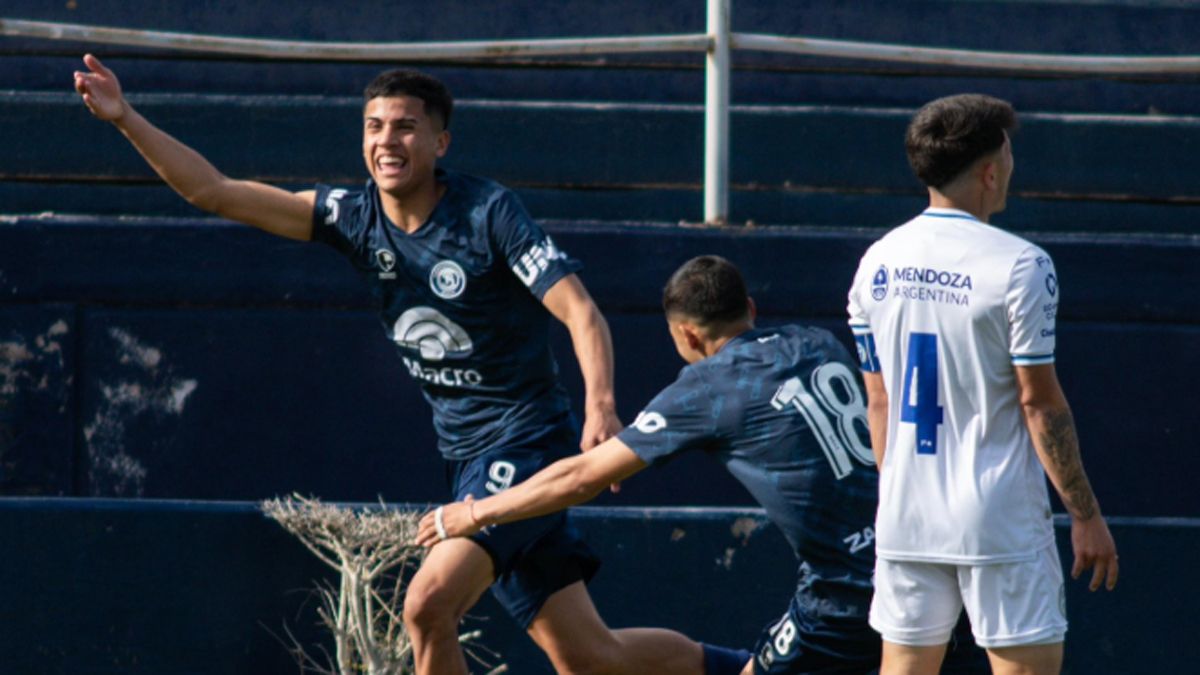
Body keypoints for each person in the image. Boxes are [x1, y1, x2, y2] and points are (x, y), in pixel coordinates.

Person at [73, 54, 723, 675]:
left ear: (441, 142)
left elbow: (581, 311)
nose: (388, 139)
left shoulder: (487, 213)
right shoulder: (353, 218)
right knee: (591, 657)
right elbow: (214, 191)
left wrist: (601, 406)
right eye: (374, 125)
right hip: (468, 459)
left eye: (406, 126)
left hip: (526, 444)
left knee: (427, 603)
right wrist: (126, 116)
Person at [419, 255, 986, 674]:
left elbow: (580, 476)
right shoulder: (816, 341)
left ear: (686, 334)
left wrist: (473, 514)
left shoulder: (710, 387)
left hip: (844, 592)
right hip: (927, 557)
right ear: (751, 310)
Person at [845, 94, 1119, 675]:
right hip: (998, 519)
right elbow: (1039, 404)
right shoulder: (1021, 265)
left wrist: (900, 494)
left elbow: (879, 401)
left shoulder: (877, 261)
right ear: (991, 170)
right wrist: (1085, 514)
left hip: (905, 515)